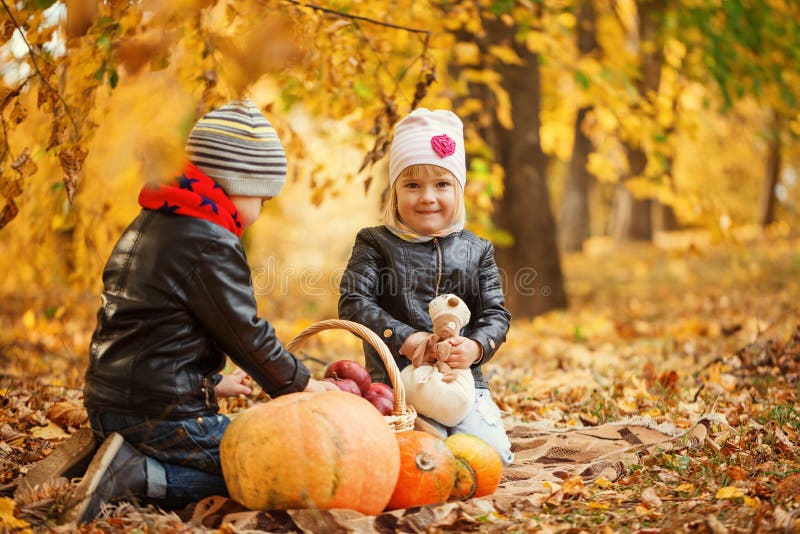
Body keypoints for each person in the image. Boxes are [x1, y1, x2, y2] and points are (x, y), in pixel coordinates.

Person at [62, 99, 335, 524]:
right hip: (159, 416)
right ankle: (137, 475)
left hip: (113, 401)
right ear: (234, 182)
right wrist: (299, 385)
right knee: (275, 464)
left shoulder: (152, 222)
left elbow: (153, 327)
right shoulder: (210, 240)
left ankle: (119, 455)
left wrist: (209, 382)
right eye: (262, 198)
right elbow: (244, 332)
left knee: (246, 460)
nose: (261, 212)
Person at [338, 108, 514, 465]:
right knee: (414, 459)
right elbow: (353, 301)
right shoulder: (375, 243)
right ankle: (424, 435)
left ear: (458, 189)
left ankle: (458, 430)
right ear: (395, 191)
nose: (427, 197)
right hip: (398, 383)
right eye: (413, 184)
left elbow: (495, 313)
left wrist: (477, 347)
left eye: (442, 184)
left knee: (491, 457)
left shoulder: (477, 250)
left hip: (460, 382)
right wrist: (406, 338)